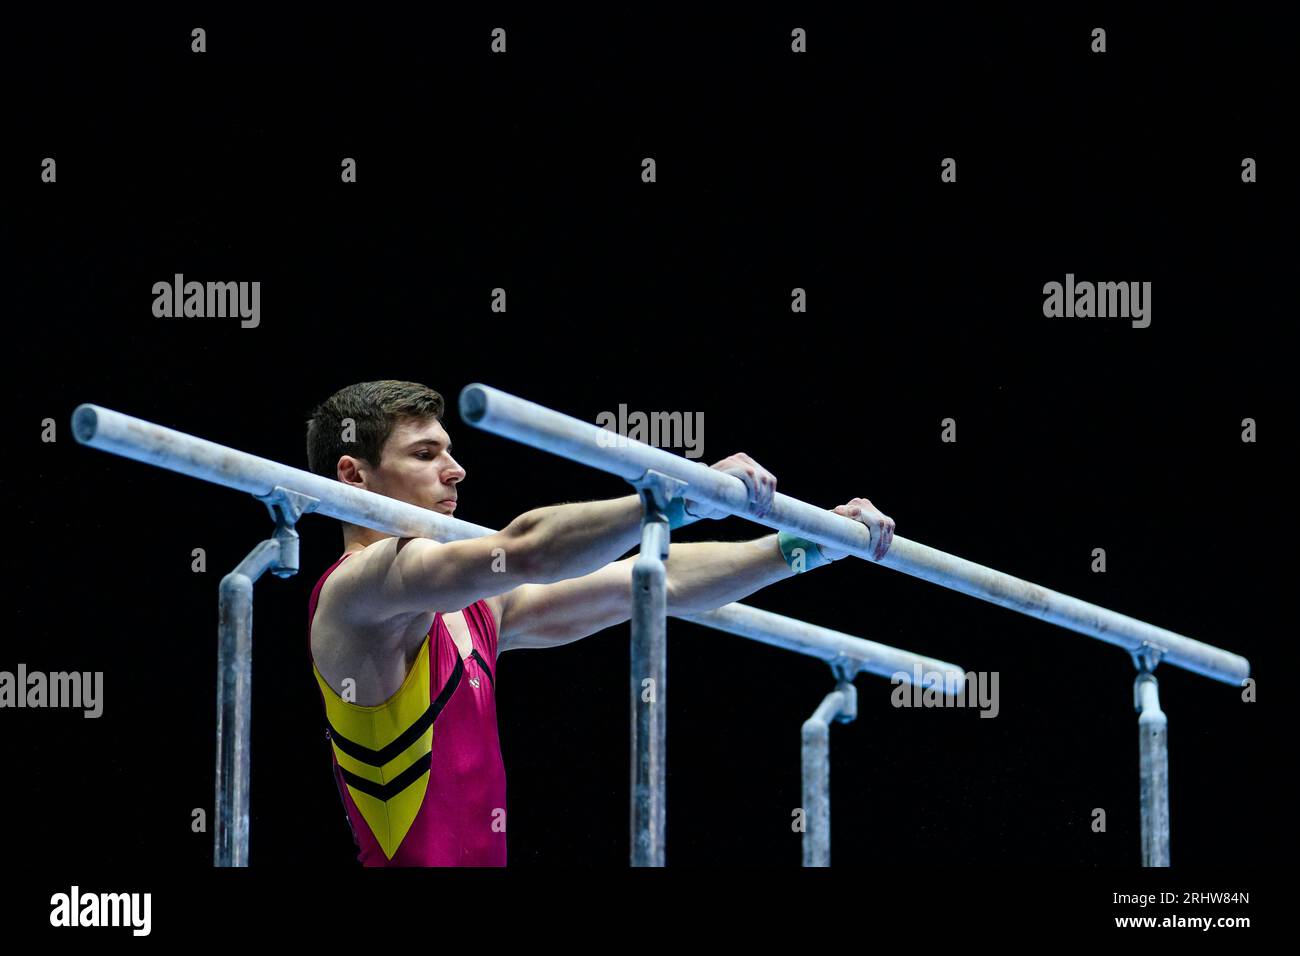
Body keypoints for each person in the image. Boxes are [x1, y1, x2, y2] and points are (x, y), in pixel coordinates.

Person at [303, 379, 894, 865]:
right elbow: (528, 547)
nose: (455, 471)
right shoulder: (355, 593)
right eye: (425, 455)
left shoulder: (478, 608)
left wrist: (801, 548)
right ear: (353, 475)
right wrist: (669, 501)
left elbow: (646, 582)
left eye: (450, 452)